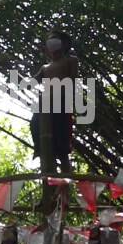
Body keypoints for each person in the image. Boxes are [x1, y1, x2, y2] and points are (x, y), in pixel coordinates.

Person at [30, 29, 77, 174]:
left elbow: (73, 81)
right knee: (35, 124)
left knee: (61, 143)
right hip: (45, 104)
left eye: (55, 39)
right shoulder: (45, 67)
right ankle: (39, 150)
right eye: (50, 40)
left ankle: (64, 180)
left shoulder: (70, 60)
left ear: (64, 44)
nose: (52, 43)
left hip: (61, 102)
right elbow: (31, 82)